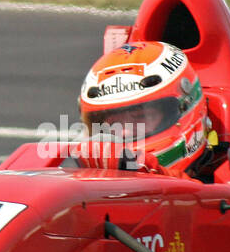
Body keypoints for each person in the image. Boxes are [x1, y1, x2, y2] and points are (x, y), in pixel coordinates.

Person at [77, 41, 222, 179]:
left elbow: (196, 192)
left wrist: (138, 166)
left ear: (185, 109)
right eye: (111, 124)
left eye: (139, 116)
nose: (123, 131)